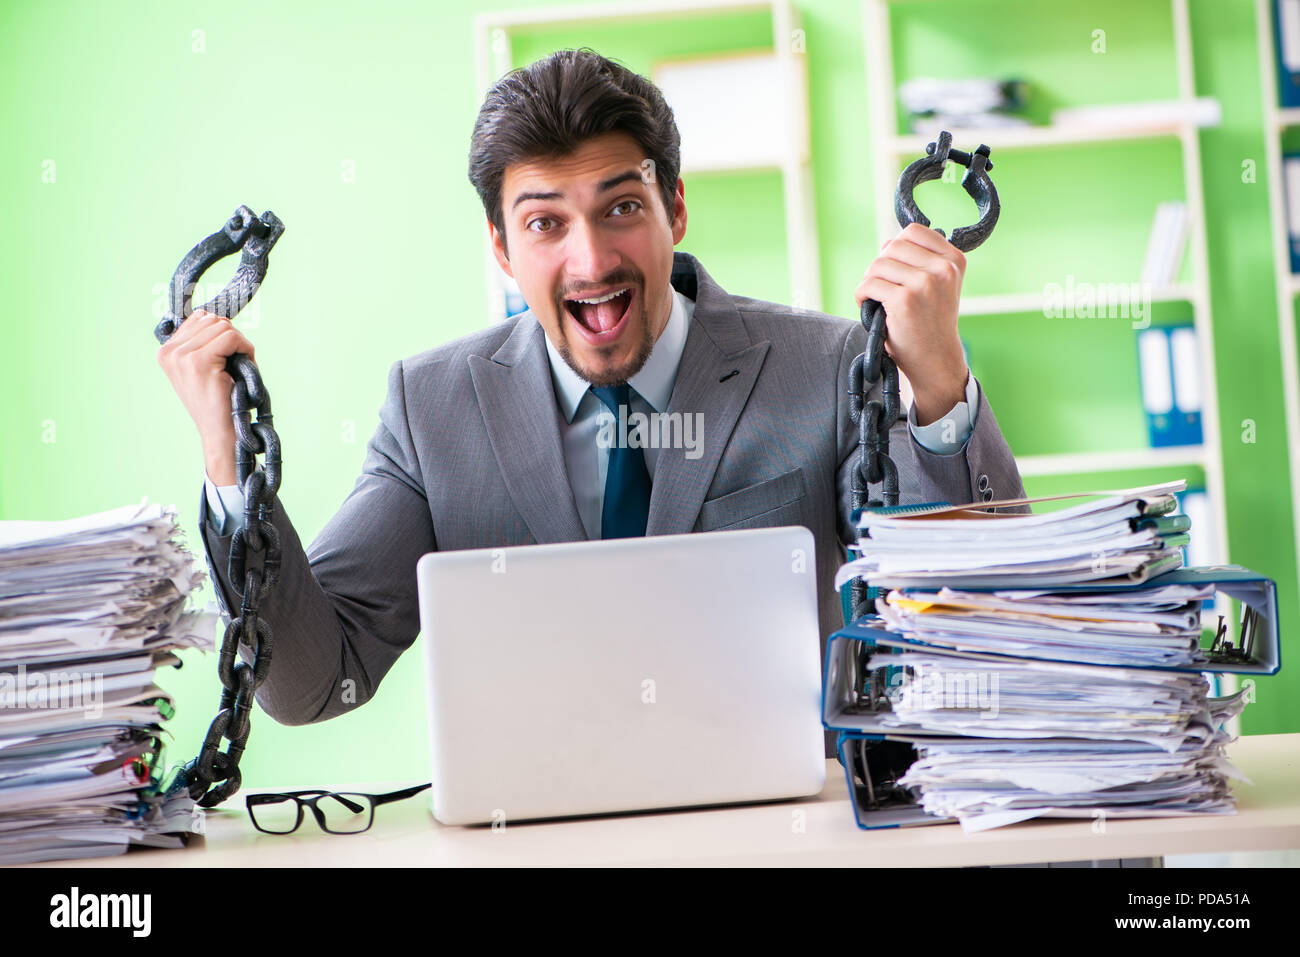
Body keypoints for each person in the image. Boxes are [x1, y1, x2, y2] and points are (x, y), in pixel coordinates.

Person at [157, 48, 1026, 759]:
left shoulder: (822, 366)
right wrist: (230, 462)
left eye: (620, 207)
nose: (591, 259)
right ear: (501, 246)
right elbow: (314, 680)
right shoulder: (432, 410)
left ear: (673, 209)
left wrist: (938, 384)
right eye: (545, 223)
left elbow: (973, 627)